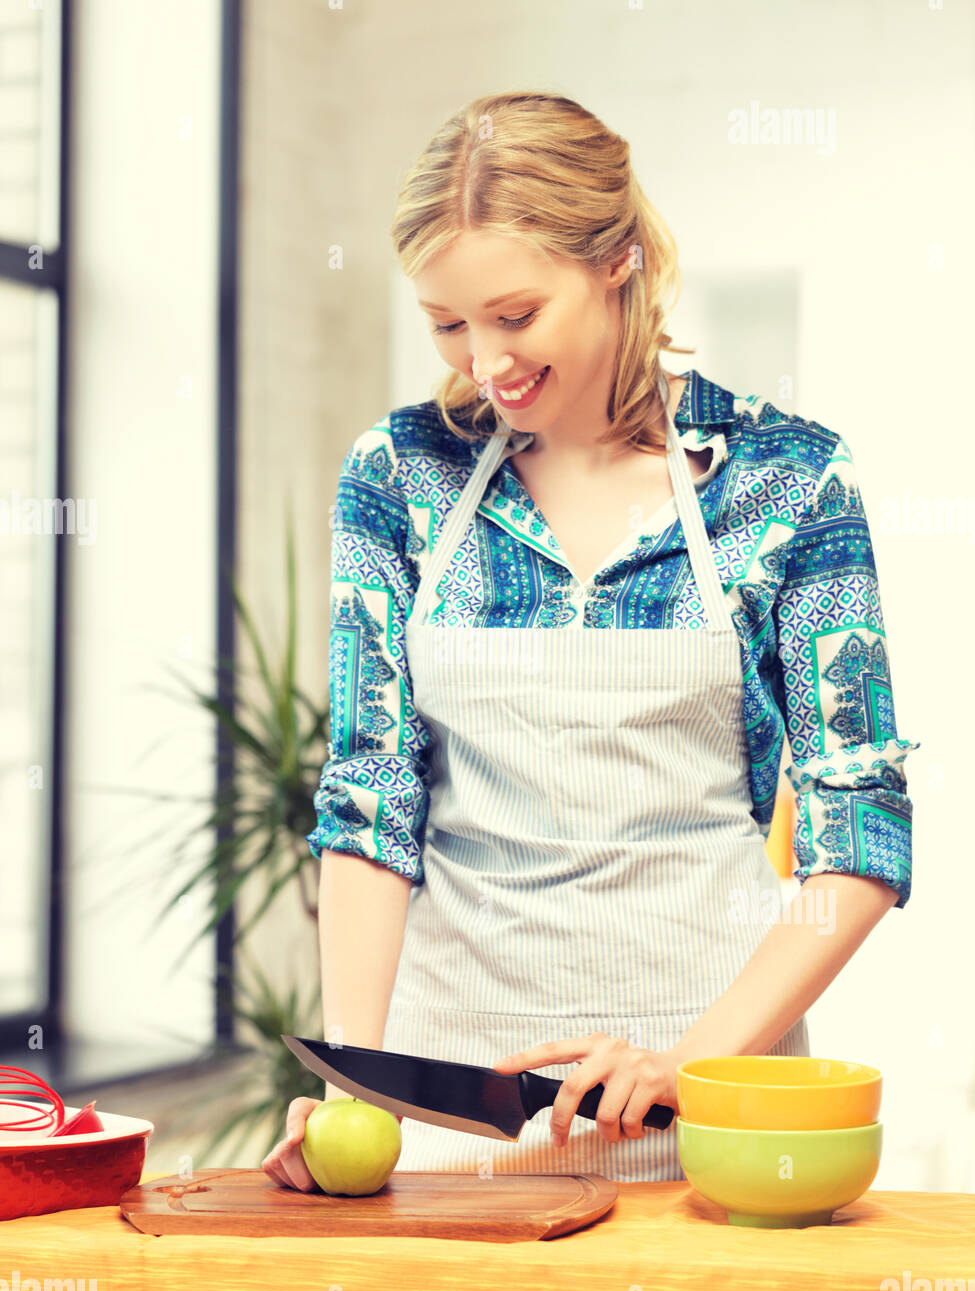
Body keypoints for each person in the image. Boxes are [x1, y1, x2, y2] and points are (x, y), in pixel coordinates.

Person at [262, 91, 919, 1192]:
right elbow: (370, 795)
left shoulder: (787, 477)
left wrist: (687, 1063)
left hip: (709, 1115)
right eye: (446, 323)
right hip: (447, 1113)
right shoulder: (401, 475)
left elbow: (861, 832)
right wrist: (354, 1094)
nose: (485, 362)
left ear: (616, 259)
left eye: (515, 316)